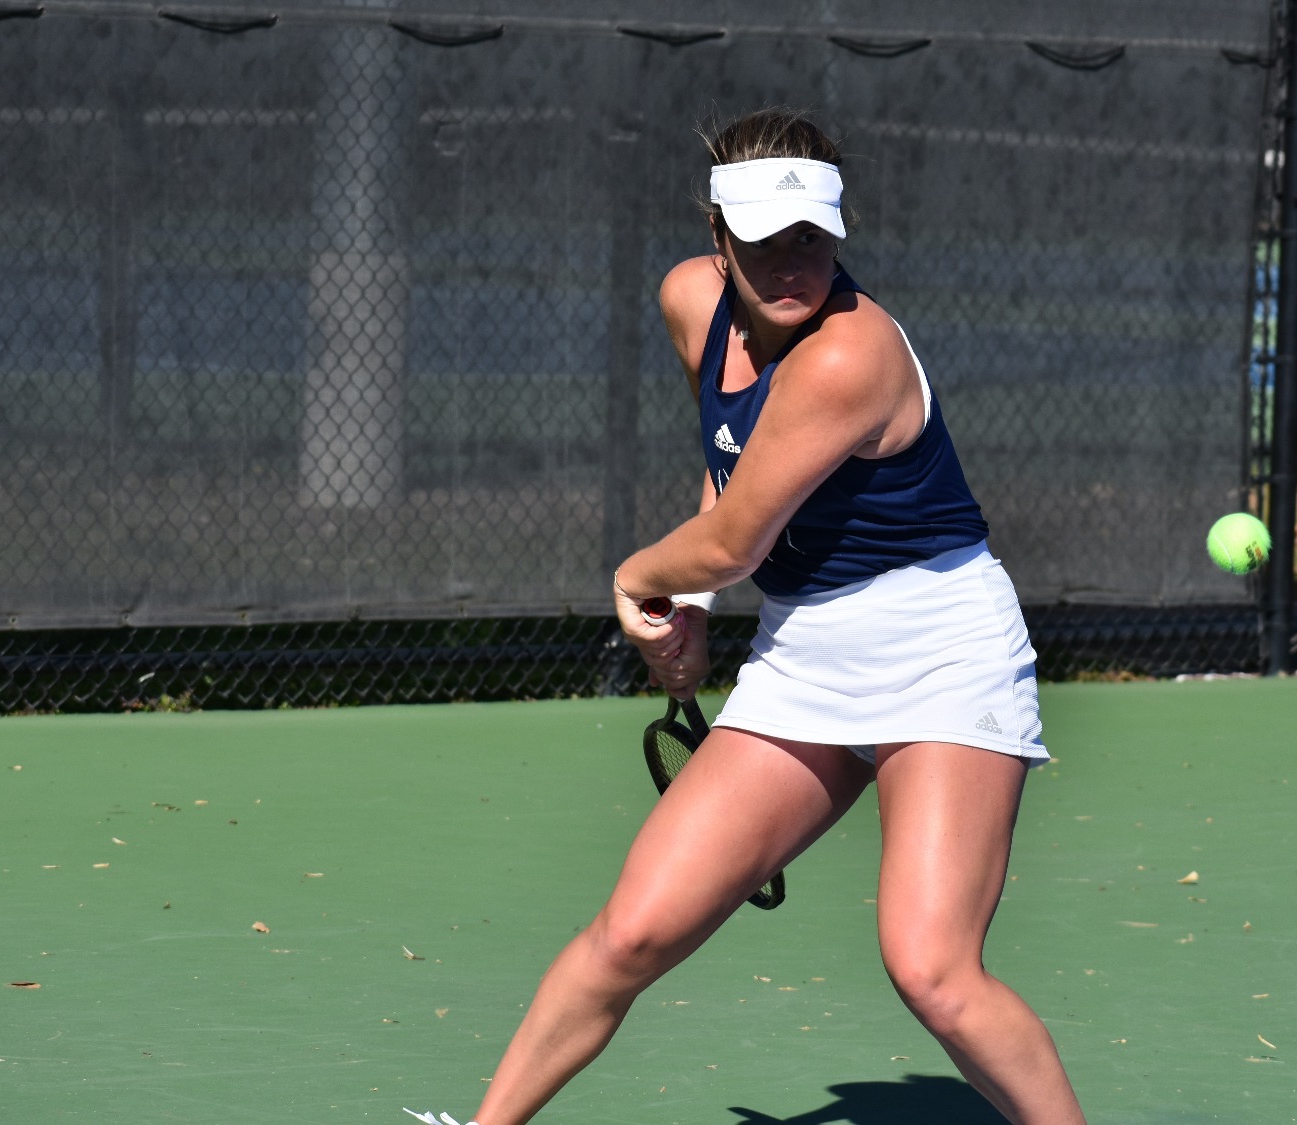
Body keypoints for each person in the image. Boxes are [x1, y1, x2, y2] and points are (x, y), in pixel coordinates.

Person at [406, 108, 1085, 1125]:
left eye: (809, 236)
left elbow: (731, 543)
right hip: (803, 650)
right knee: (633, 933)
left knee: (931, 969)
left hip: (940, 648)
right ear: (716, 242)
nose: (787, 263)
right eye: (761, 243)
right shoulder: (691, 302)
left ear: (837, 229)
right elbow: (732, 478)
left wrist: (643, 576)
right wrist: (691, 602)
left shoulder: (849, 358)